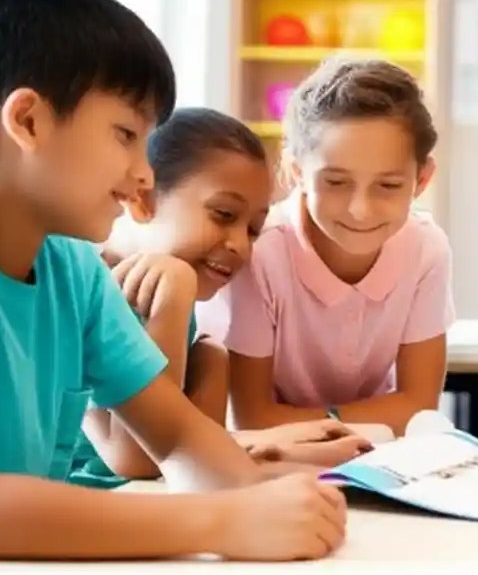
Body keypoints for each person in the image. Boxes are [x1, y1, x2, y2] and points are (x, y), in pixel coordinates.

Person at [0, 0, 343, 572]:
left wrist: (274, 501)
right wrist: (224, 520)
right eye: (125, 134)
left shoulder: (72, 273)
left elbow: (180, 442)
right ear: (28, 121)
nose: (145, 175)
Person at [69, 108, 370, 488]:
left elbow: (188, 455)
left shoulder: (180, 297)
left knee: (211, 354)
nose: (240, 245)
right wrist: (171, 305)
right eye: (223, 214)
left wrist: (271, 446)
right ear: (143, 197)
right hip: (83, 508)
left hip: (160, 495)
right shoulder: (81, 288)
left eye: (254, 229)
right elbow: (138, 459)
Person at [209, 58, 453, 436]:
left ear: (422, 180)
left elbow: (419, 407)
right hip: (275, 460)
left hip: (374, 459)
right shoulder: (260, 252)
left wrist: (314, 422)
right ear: (295, 172)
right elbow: (253, 418)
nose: (360, 210)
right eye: (336, 182)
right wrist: (374, 418)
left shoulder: (426, 248)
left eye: (388, 186)